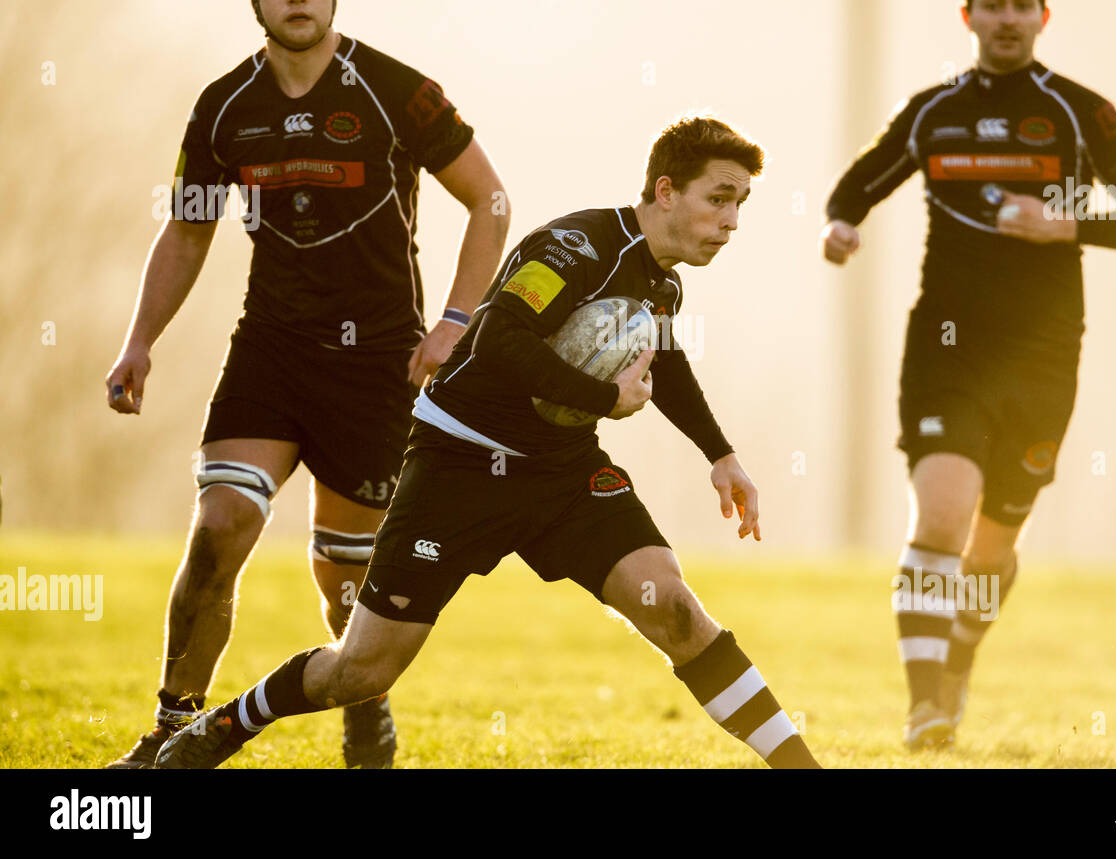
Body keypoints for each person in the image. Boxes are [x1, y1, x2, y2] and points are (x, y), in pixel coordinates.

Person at [156, 116, 821, 769]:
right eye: (719, 198)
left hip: (563, 473)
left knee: (674, 606)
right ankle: (227, 723)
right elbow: (500, 336)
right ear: (668, 191)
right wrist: (603, 398)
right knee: (359, 671)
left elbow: (664, 361)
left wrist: (720, 455)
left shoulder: (662, 283)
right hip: (460, 463)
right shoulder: (575, 246)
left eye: (741, 204)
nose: (731, 220)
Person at [104, 0, 509, 768]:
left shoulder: (396, 90)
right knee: (219, 528)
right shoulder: (224, 107)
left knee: (348, 586)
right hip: (272, 352)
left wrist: (455, 323)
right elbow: (187, 233)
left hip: (379, 364)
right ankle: (174, 725)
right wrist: (138, 341)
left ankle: (364, 698)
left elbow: (491, 201)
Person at [821, 0, 1116, 748]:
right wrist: (840, 225)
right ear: (968, 15)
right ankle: (924, 705)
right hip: (947, 346)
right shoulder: (933, 112)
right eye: (994, 4)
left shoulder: (1082, 111)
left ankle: (959, 661)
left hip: (1045, 356)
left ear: (1043, 16)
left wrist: (1066, 223)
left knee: (992, 543)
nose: (1007, 18)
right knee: (942, 514)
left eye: (1022, 5)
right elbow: (858, 183)